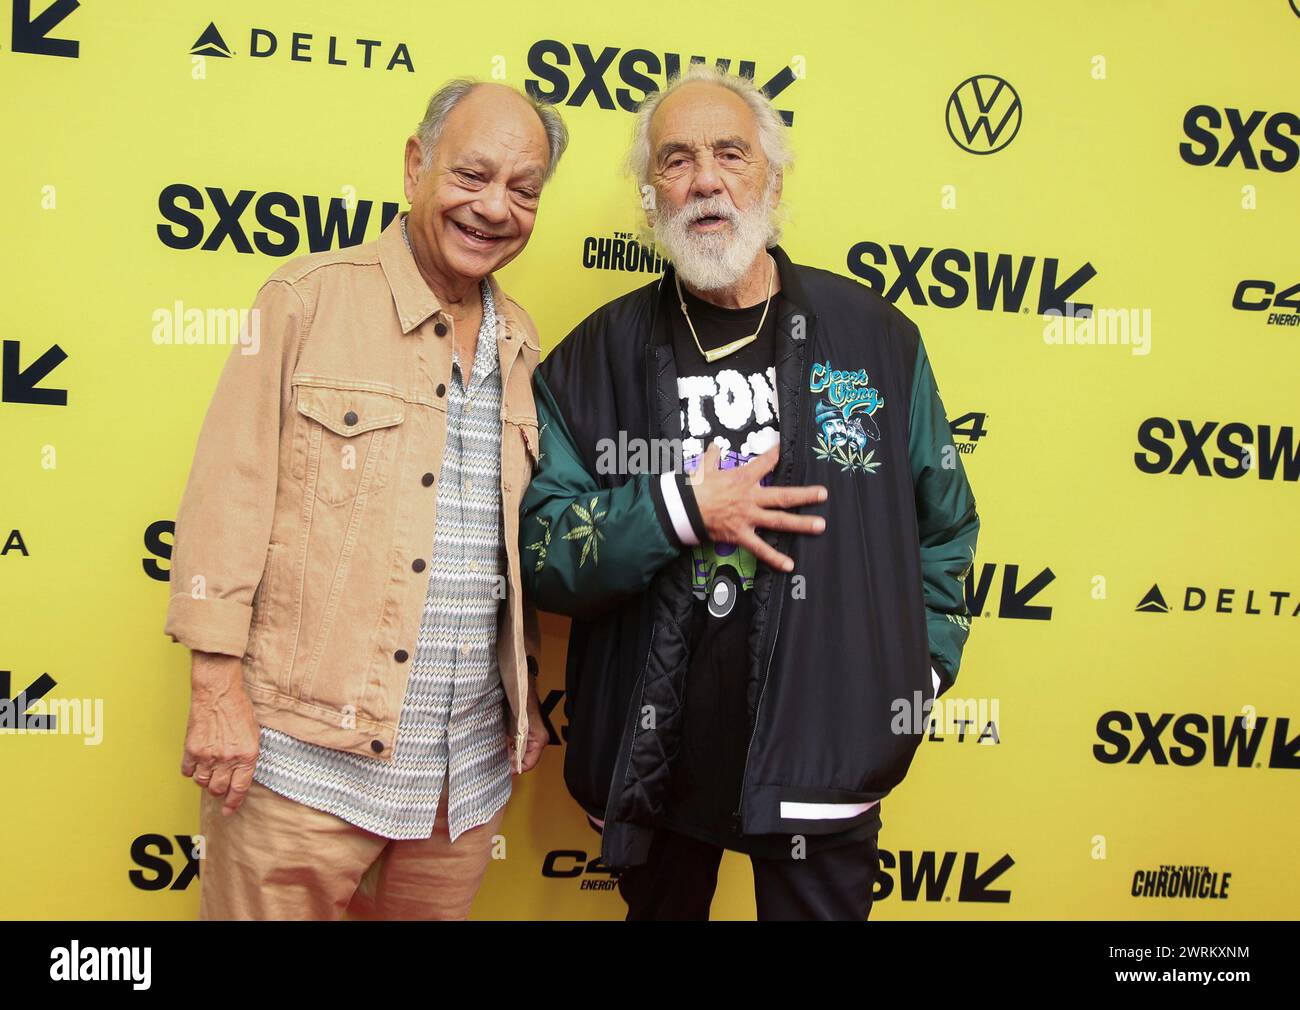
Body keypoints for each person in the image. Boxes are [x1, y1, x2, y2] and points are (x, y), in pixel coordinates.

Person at [519, 65, 979, 920]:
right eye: (676, 160)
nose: (705, 180)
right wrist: (680, 509)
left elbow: (943, 524)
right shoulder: (595, 358)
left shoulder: (874, 338)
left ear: (772, 175)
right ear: (648, 195)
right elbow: (544, 552)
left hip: (827, 755)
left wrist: (914, 675)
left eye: (730, 153)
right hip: (655, 763)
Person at [164, 79, 567, 920]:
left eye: (523, 191)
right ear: (416, 165)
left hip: (459, 776)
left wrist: (518, 690)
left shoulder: (524, 339)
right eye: (472, 176)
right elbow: (225, 501)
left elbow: (508, 548)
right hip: (303, 761)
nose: (495, 208)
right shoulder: (305, 299)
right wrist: (214, 694)